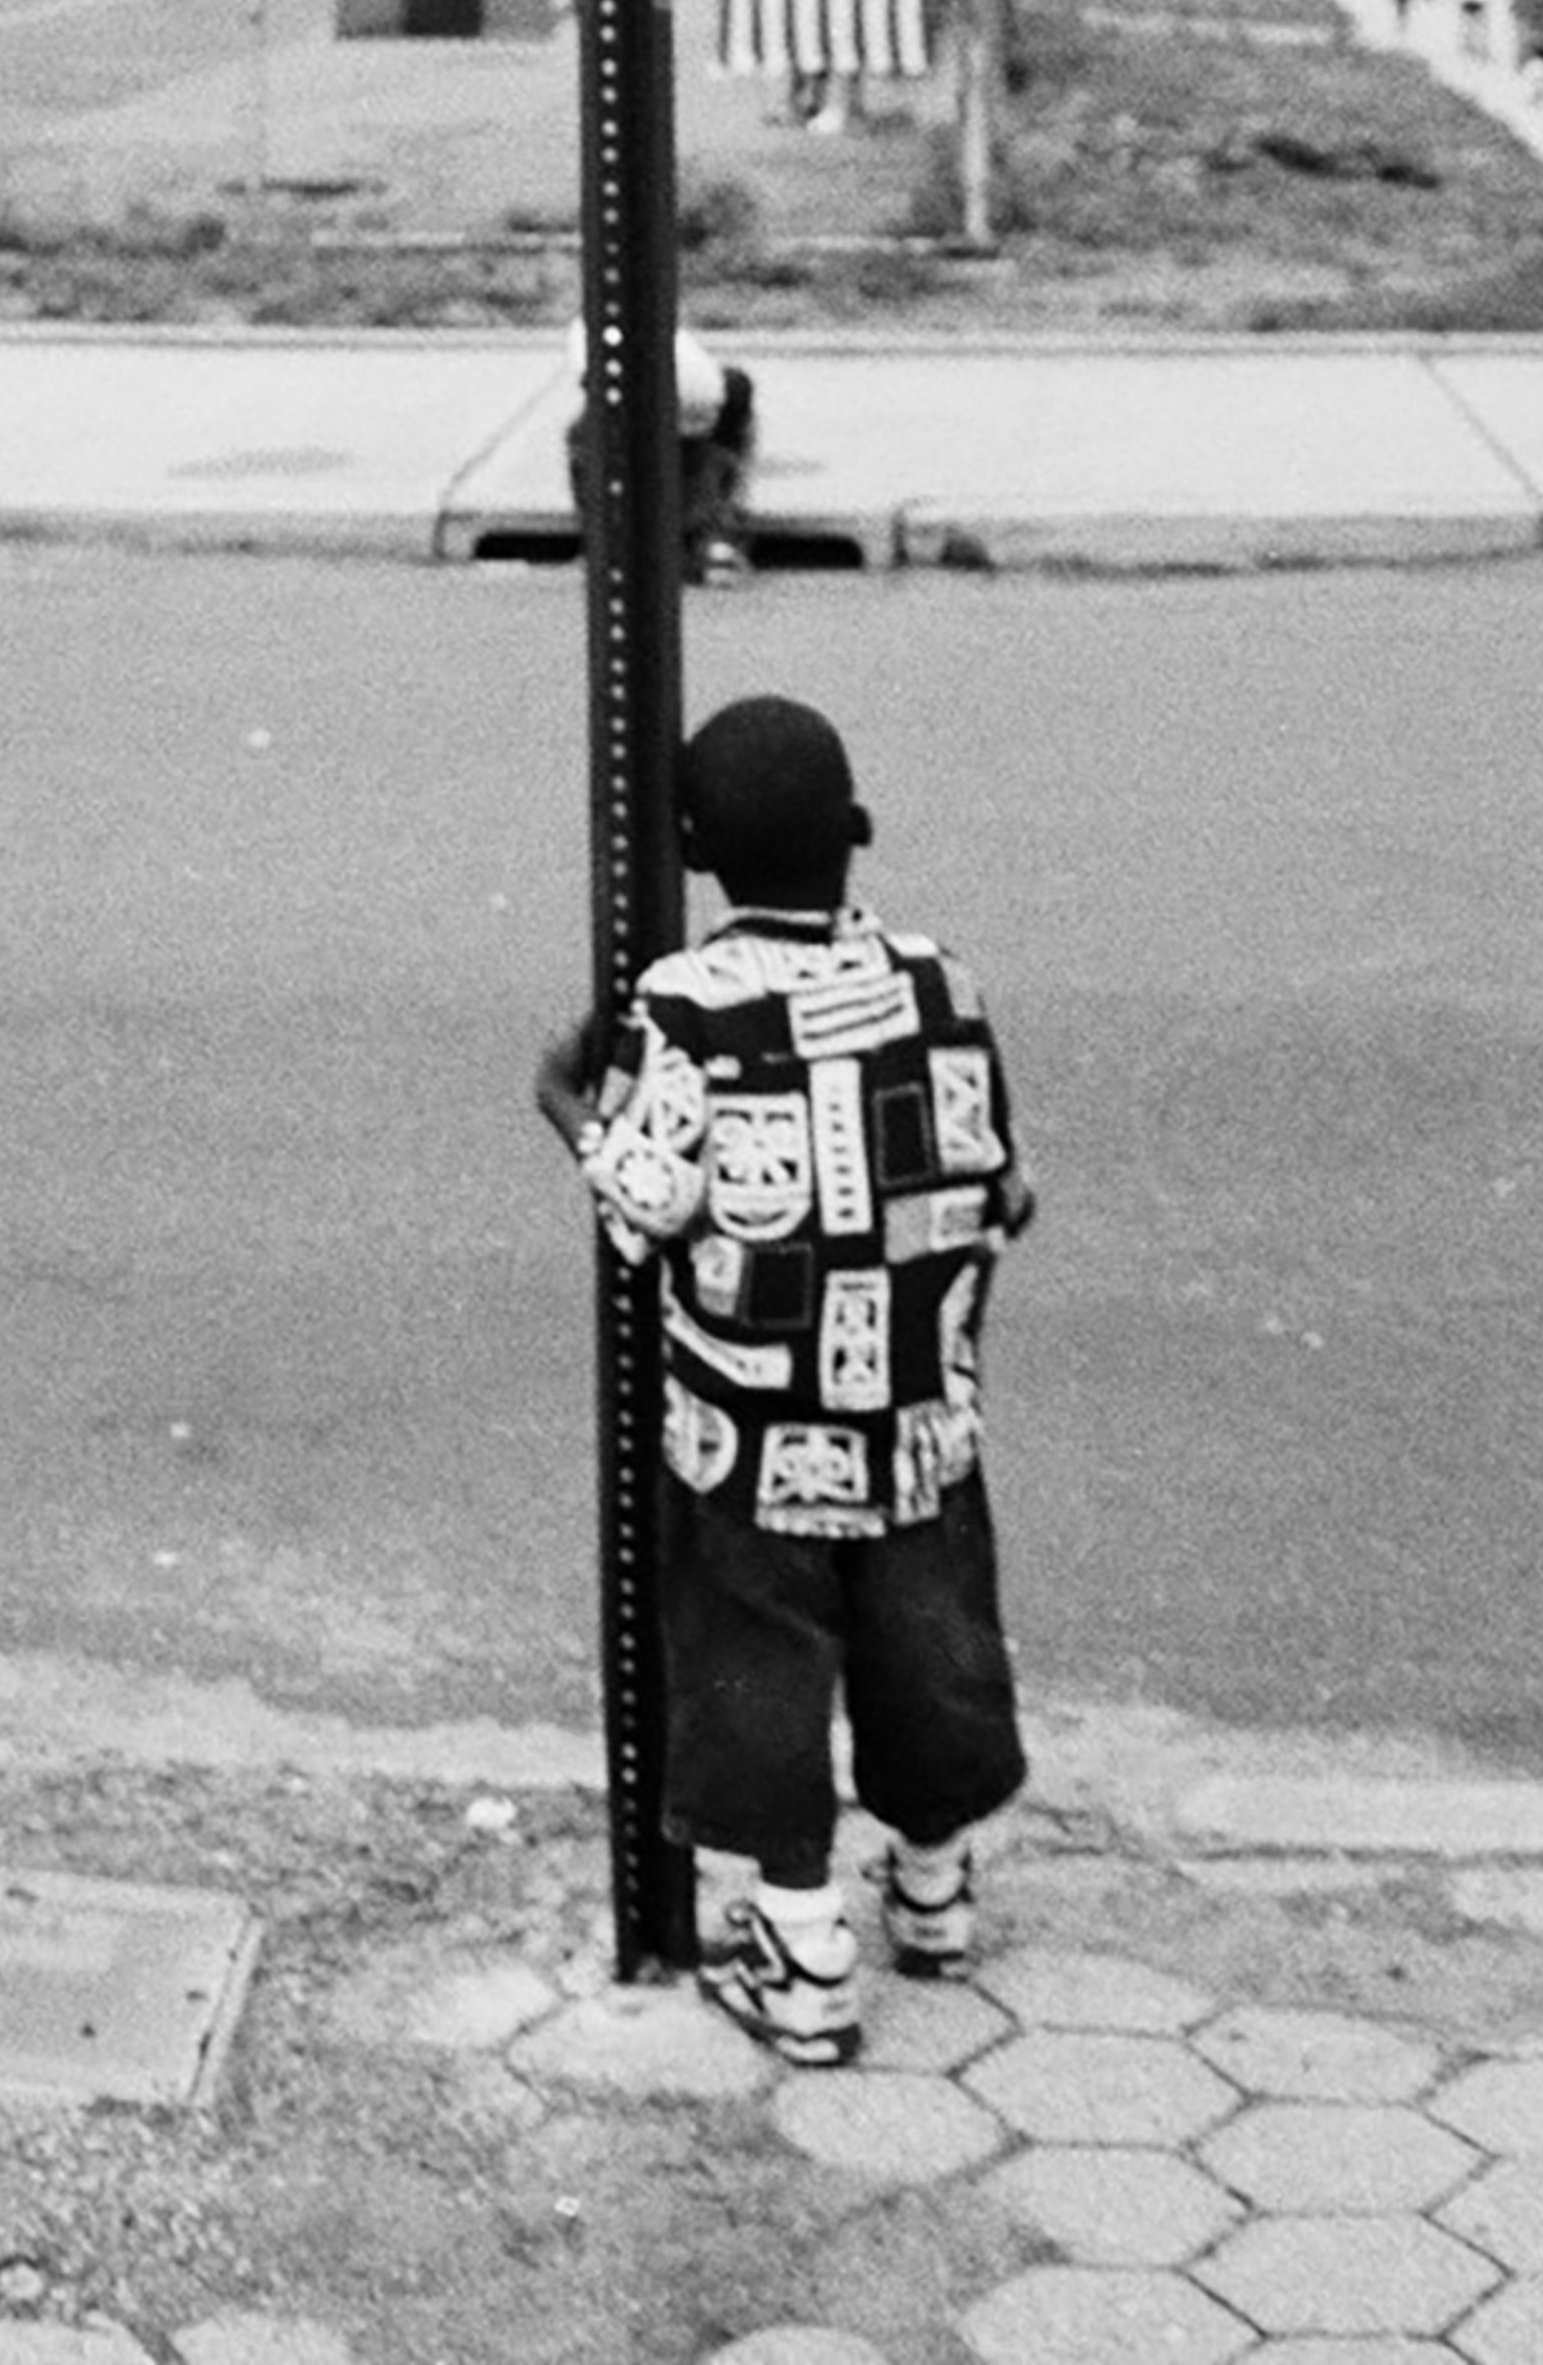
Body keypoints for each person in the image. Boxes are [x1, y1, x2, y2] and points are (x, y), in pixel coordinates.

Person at [533, 696, 1035, 2065]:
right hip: (921, 1424)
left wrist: (566, 1102)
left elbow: (648, 1205)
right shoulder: (946, 984)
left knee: (757, 1669)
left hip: (754, 1436)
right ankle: (931, 1890)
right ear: (857, 833)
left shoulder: (687, 1007)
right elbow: (1006, 1189)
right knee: (931, 1648)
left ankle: (805, 1948)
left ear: (694, 851)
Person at [564, 323, 757, 584]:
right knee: (718, 433)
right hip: (704, 394)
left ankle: (608, 547)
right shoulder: (650, 312)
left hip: (661, 400)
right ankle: (718, 545)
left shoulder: (587, 327)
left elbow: (597, 388)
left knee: (582, 434)